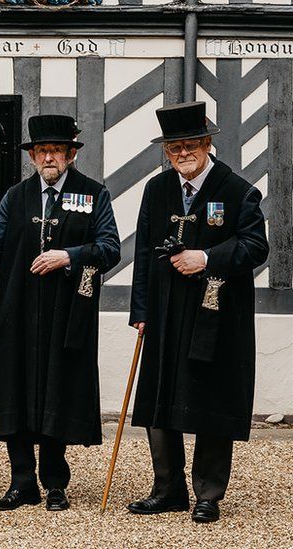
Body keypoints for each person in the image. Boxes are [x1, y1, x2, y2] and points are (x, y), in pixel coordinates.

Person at [0, 114, 120, 512]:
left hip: (67, 313)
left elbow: (110, 248)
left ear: (70, 155)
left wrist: (69, 255)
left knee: (56, 392)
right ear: (32, 156)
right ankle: (22, 483)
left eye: (56, 151)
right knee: (18, 391)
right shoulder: (16, 197)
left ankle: (55, 483)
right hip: (19, 311)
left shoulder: (93, 194)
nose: (49, 158)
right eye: (42, 151)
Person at [127, 101, 268, 523]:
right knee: (158, 398)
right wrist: (140, 309)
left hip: (216, 313)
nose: (183, 153)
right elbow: (143, 252)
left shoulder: (238, 190)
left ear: (207, 144)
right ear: (166, 152)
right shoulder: (157, 189)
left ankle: (208, 493)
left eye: (191, 145)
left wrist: (204, 257)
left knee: (212, 398)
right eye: (174, 148)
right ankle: (167, 489)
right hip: (165, 311)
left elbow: (256, 247)